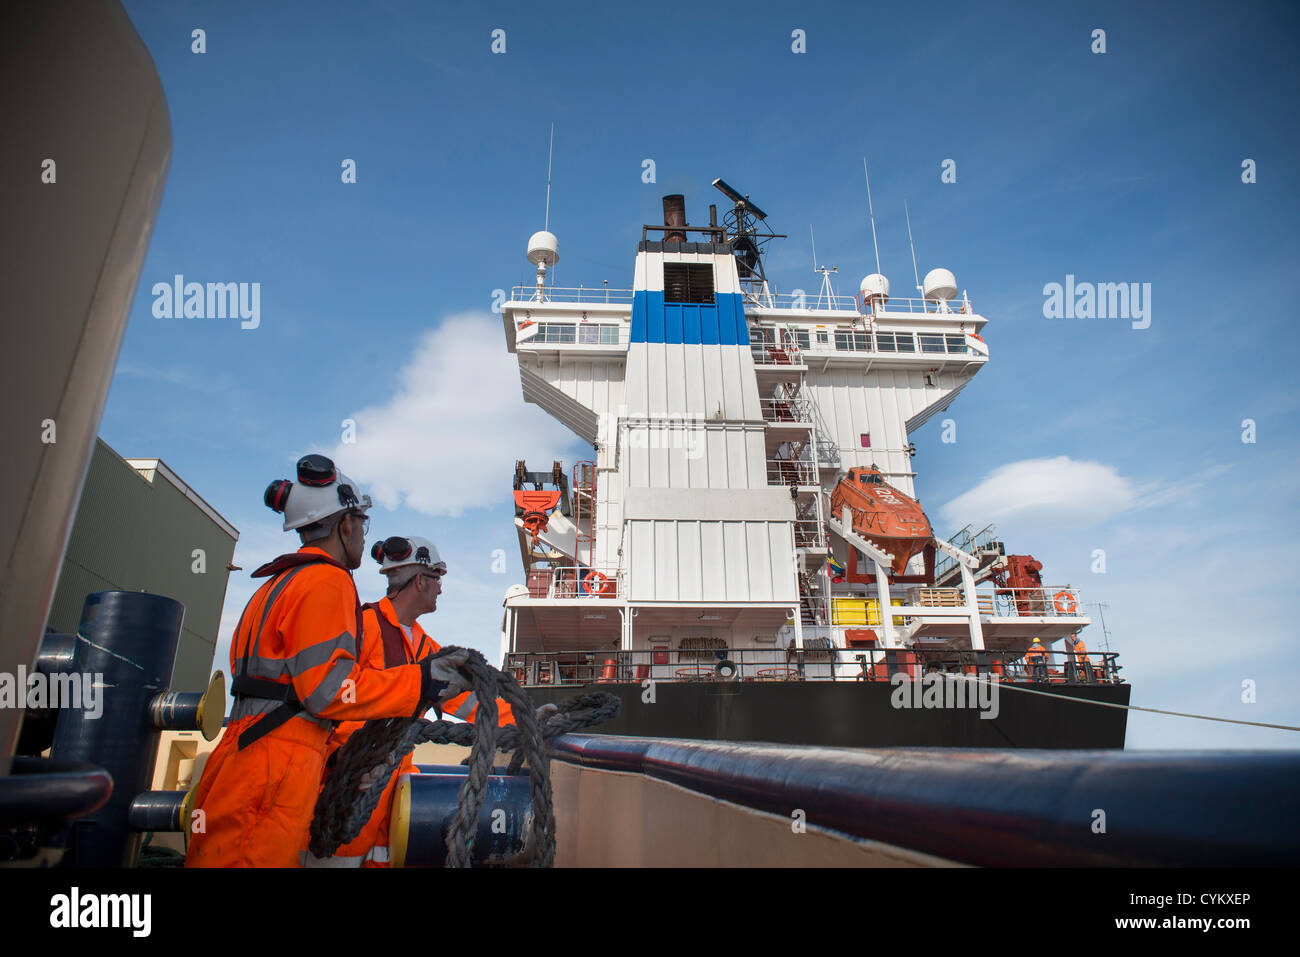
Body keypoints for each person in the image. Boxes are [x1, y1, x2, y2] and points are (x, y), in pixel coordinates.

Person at [186, 455, 470, 868]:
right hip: (281, 767)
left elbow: (457, 696)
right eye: (361, 523)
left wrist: (522, 718)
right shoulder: (328, 582)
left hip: (251, 753)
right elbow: (327, 689)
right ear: (345, 525)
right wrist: (416, 687)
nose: (362, 536)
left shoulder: (279, 583)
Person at [305, 535, 517, 867]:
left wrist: (523, 721)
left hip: (393, 783)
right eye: (437, 579)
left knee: (381, 858)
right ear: (420, 580)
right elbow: (325, 696)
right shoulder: (362, 628)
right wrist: (338, 760)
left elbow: (469, 702)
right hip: (346, 784)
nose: (441, 590)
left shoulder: (423, 646)